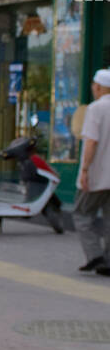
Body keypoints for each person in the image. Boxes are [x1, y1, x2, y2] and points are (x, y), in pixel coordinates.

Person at [74, 67, 110, 275]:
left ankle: (95, 255)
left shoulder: (95, 109)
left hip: (97, 175)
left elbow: (91, 142)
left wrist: (85, 170)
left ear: (97, 87)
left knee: (81, 214)